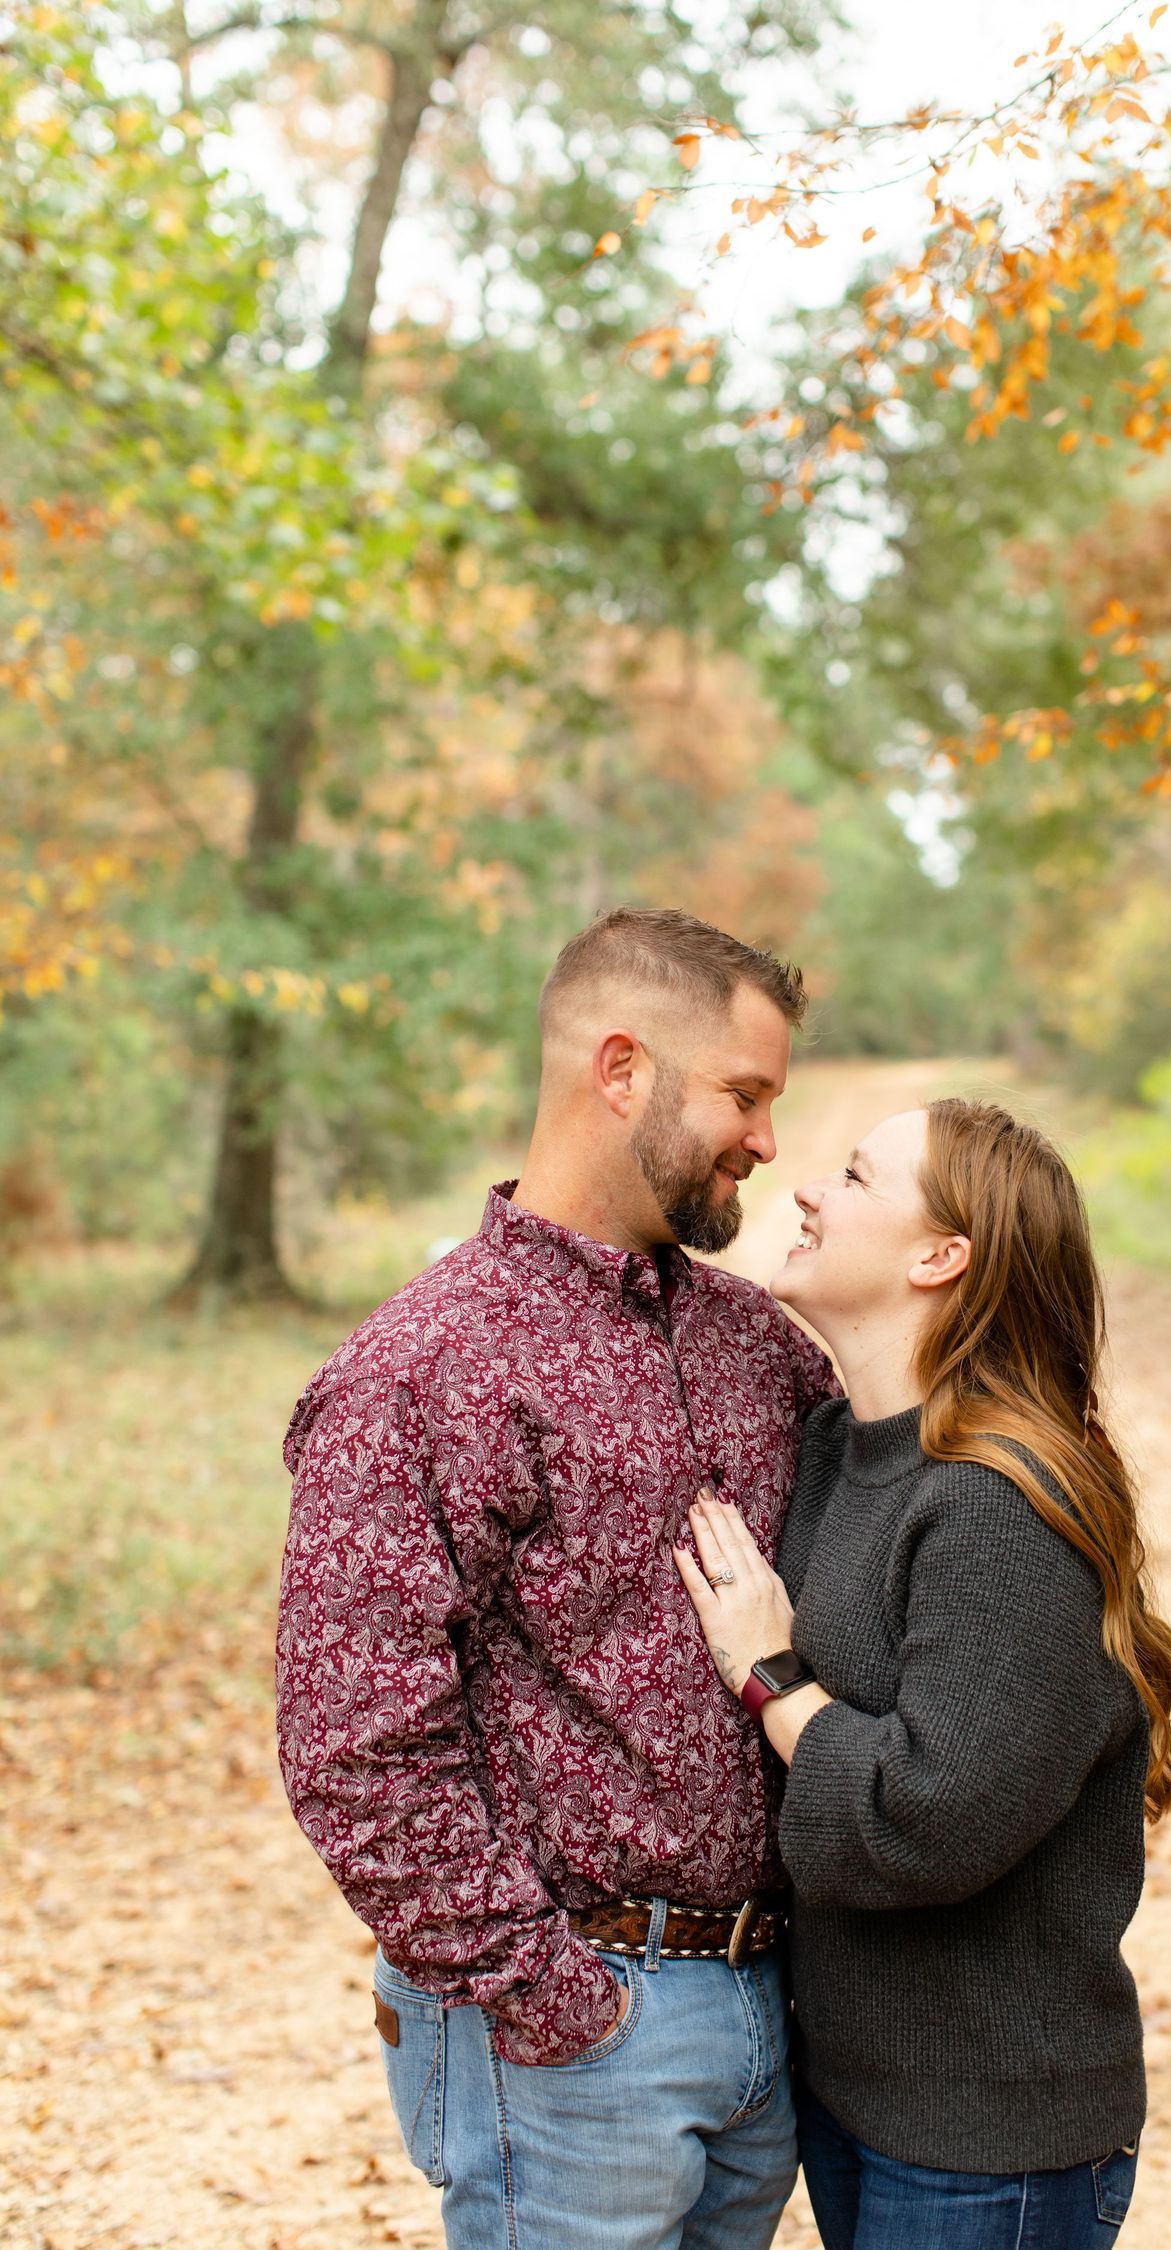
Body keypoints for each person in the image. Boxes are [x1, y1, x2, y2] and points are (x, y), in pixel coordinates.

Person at [276, 907, 839, 2250]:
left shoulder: (757, 1343)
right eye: (745, 1095)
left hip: (771, 2012)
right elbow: (355, 1738)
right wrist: (551, 1997)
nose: (767, 1140)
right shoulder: (425, 1369)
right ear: (622, 1068)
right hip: (579, 2034)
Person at [676, 1099, 1171, 2249]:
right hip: (858, 2097)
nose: (809, 1190)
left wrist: (772, 1677)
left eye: (857, 1178)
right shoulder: (835, 1450)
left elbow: (930, 1816)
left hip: (989, 2137)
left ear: (939, 1257)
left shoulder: (997, 1507)